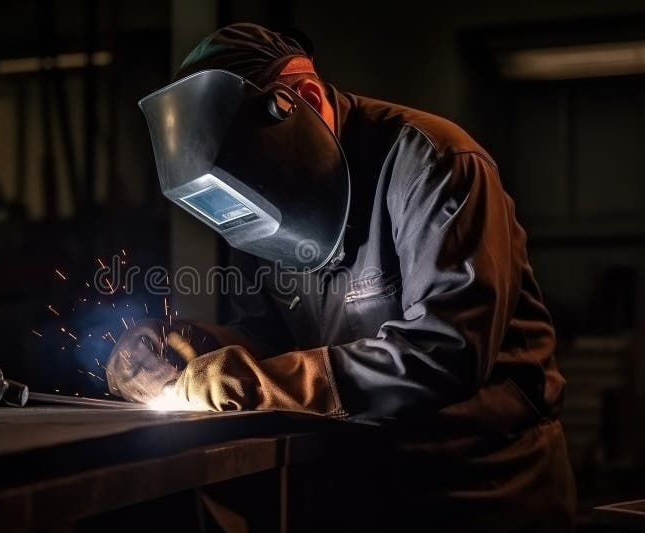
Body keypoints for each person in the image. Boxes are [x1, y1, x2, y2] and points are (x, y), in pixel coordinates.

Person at [106, 23, 576, 531]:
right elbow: (269, 345)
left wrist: (243, 382)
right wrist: (195, 349)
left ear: (304, 99)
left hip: (478, 492)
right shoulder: (257, 200)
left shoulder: (435, 164)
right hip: (355, 491)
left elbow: (447, 350)